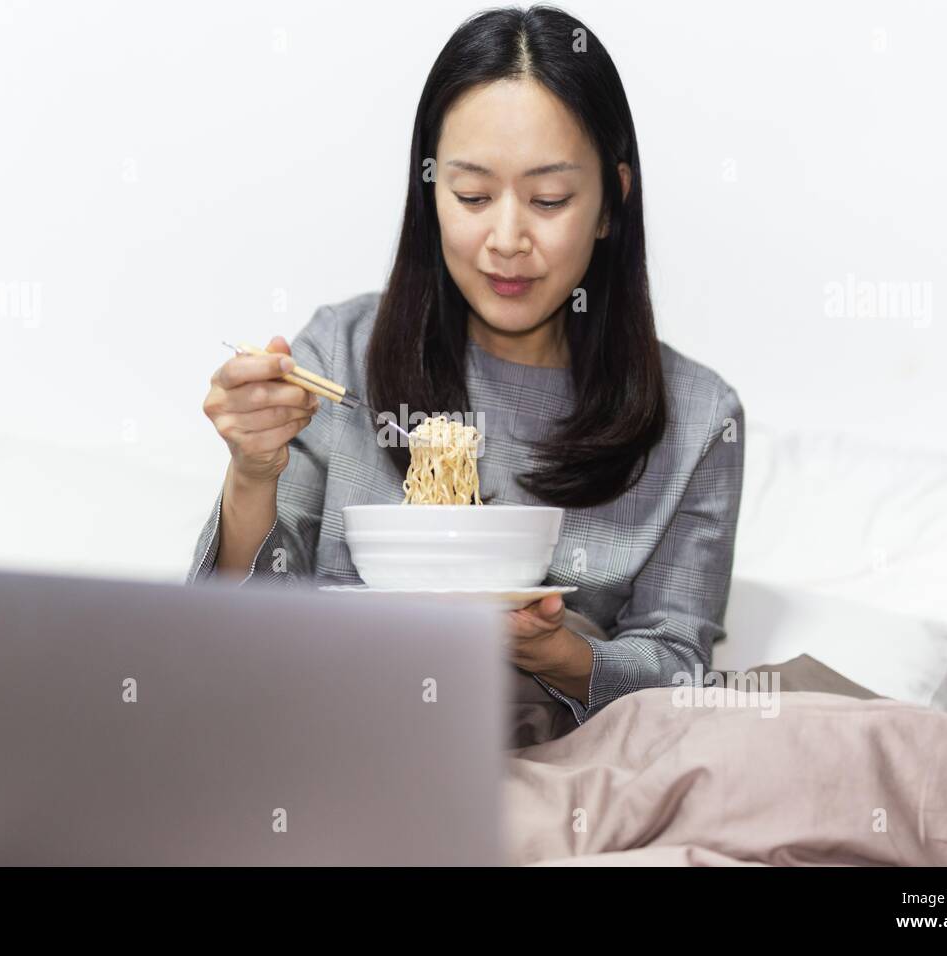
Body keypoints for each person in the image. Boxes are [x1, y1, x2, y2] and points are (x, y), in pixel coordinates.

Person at [188, 5, 744, 729]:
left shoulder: (697, 417)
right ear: (430, 191)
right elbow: (233, 629)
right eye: (473, 196)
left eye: (549, 199)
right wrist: (252, 472)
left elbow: (679, 667)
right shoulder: (339, 352)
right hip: (327, 722)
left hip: (546, 758)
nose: (507, 239)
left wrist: (557, 655)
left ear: (612, 202)